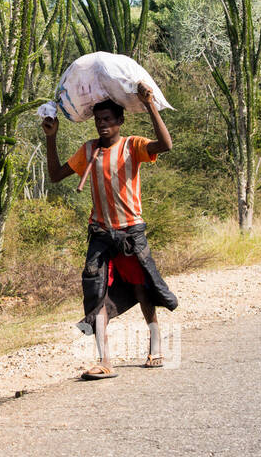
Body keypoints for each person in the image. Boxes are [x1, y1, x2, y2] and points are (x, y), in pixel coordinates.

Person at [41, 83, 178, 380]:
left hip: (130, 232)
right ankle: (104, 360)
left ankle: (155, 345)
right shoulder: (88, 150)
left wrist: (150, 104)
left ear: (120, 122)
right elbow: (54, 176)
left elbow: (165, 145)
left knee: (142, 287)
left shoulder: (133, 146)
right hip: (101, 234)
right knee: (95, 293)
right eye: (98, 120)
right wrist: (51, 138)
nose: (102, 125)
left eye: (108, 120)